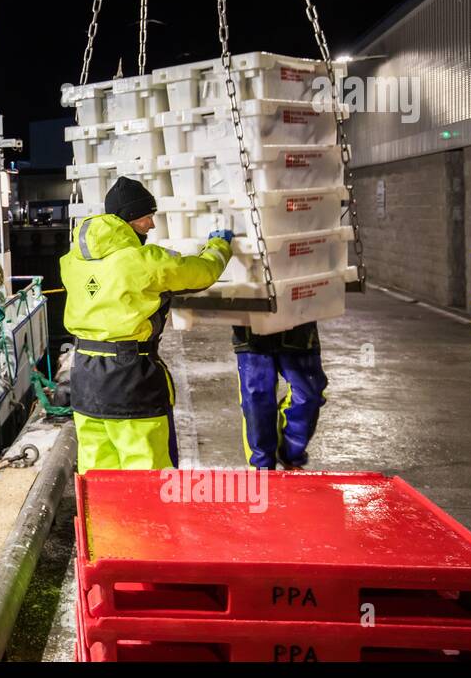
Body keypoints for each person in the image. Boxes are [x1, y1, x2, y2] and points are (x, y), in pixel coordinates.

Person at [61, 177, 234, 472]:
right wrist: (219, 246)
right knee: (147, 476)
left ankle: (104, 520)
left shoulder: (71, 261)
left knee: (97, 476)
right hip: (130, 380)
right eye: (147, 217)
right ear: (130, 219)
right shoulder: (143, 261)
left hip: (85, 380)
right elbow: (202, 273)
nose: (151, 225)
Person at [233, 322, 327, 470]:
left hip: (299, 326)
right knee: (256, 401)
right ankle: (262, 467)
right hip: (251, 330)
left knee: (309, 395)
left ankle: (290, 455)